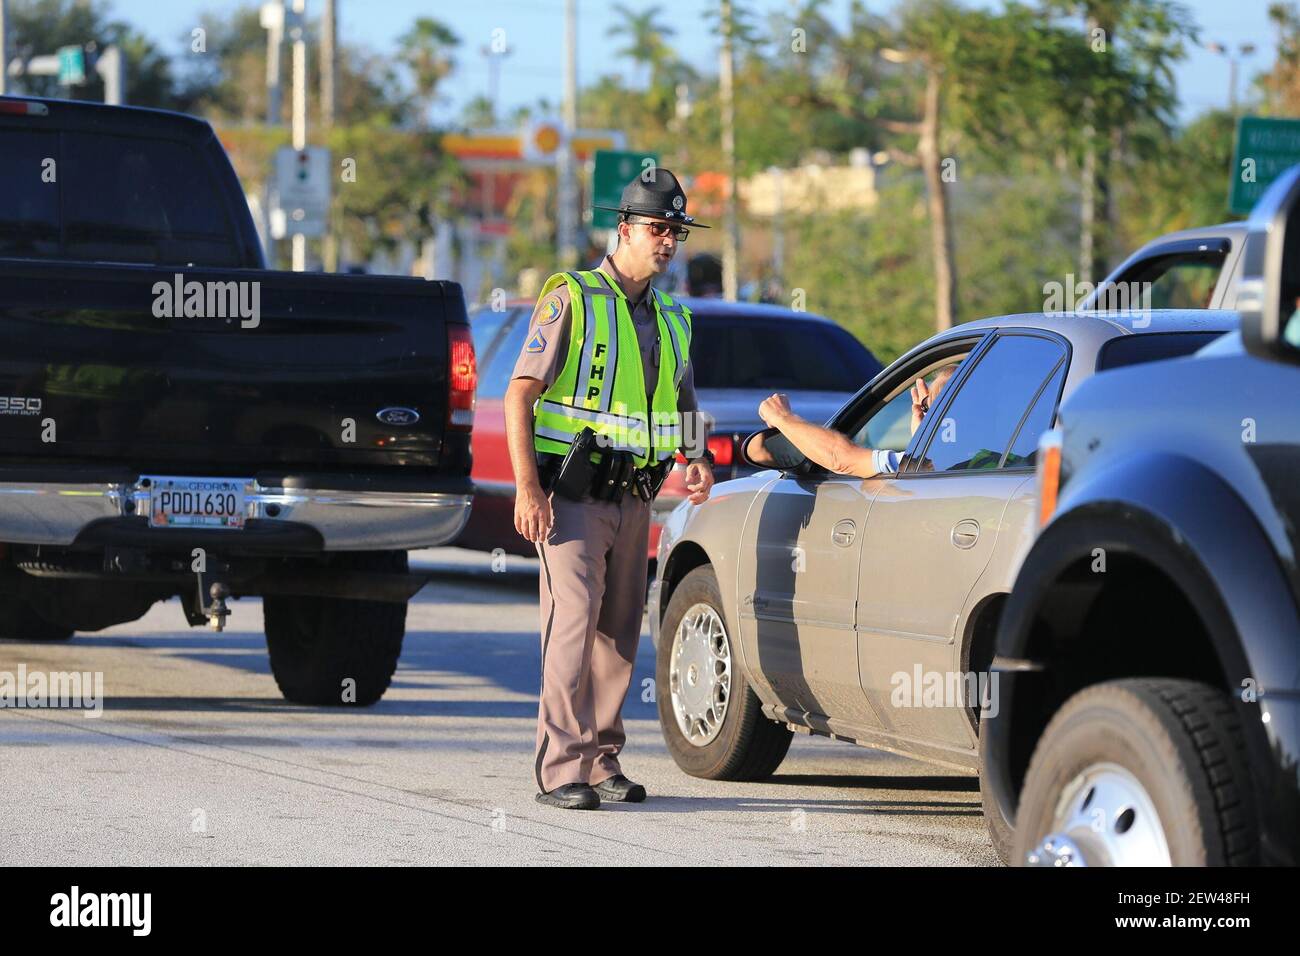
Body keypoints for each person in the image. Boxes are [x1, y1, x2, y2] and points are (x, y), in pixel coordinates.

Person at [504, 168, 715, 810]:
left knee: (619, 632)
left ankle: (601, 763)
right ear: (622, 230)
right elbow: (520, 395)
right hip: (570, 496)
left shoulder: (674, 316)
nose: (669, 242)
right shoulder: (572, 297)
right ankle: (561, 768)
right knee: (572, 622)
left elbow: (681, 398)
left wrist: (698, 454)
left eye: (676, 231)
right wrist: (527, 490)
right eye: (658, 229)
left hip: (635, 497)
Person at [750, 364, 958, 478]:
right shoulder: (982, 462)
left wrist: (782, 417)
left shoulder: (928, 467)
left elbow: (840, 458)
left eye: (927, 410)